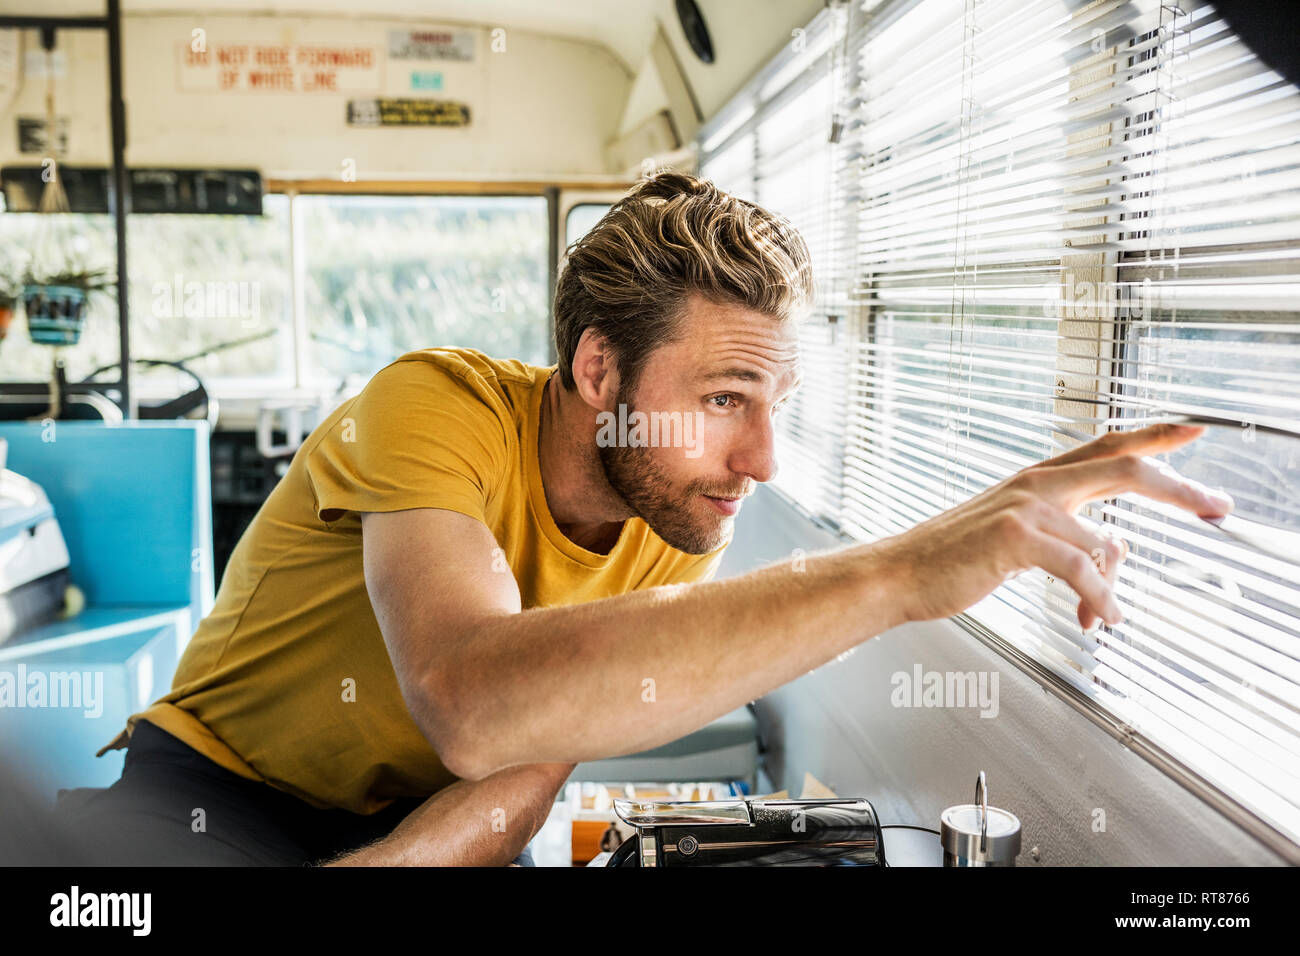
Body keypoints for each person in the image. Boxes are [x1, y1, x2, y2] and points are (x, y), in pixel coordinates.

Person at [56, 172, 1232, 865]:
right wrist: (901, 571)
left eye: (774, 404)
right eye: (723, 400)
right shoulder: (430, 401)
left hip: (401, 830)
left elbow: (525, 763)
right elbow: (471, 699)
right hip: (203, 793)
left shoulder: (666, 511)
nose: (759, 457)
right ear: (598, 370)